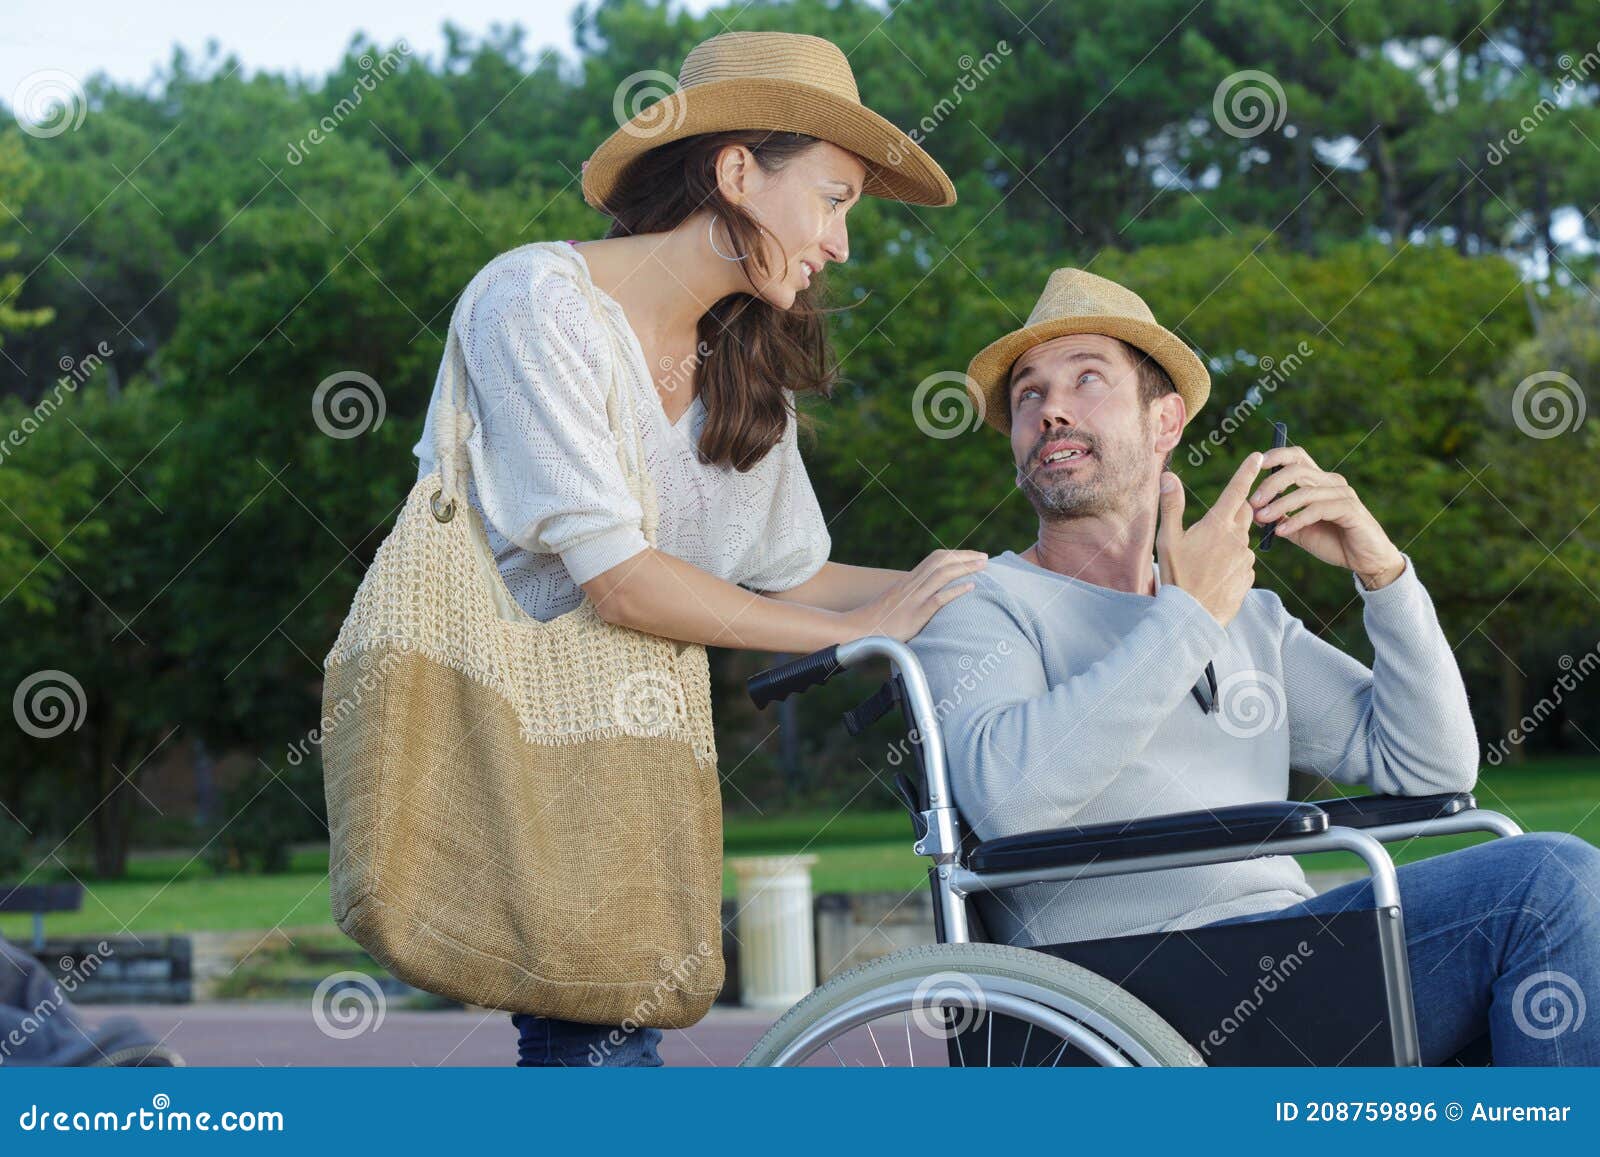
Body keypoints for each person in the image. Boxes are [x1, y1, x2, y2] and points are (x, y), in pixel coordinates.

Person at [411, 30, 985, 1066]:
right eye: (835, 199)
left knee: (604, 1044)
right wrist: (859, 628)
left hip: (636, 766)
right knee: (595, 1043)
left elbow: (790, 570)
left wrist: (995, 586)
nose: (842, 244)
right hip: (517, 751)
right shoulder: (535, 304)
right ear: (735, 173)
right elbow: (622, 581)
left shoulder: (743, 365)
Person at [907, 265, 1600, 1065]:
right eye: (1028, 394)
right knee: (1548, 882)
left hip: (1274, 960)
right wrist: (1187, 617)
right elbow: (1013, 799)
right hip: (1125, 990)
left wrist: (1383, 574)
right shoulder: (979, 599)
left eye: (1087, 379)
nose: (1050, 406)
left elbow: (1431, 764)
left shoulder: (1248, 614)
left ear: (1164, 421)